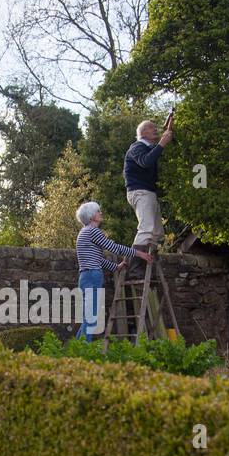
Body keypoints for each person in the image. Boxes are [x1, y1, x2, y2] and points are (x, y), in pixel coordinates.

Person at [74, 201, 152, 340]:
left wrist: (115, 267)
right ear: (91, 216)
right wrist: (139, 253)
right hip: (92, 276)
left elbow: (97, 258)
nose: (101, 213)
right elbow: (114, 247)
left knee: (88, 316)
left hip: (86, 276)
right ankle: (83, 352)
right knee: (91, 318)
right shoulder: (92, 231)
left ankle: (76, 349)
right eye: (98, 211)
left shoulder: (84, 233)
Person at [123, 117, 174, 272]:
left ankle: (147, 263)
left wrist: (168, 131)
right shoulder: (136, 147)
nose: (156, 130)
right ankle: (134, 267)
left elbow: (154, 153)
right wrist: (162, 143)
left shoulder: (148, 148)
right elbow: (146, 161)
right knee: (146, 228)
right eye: (152, 128)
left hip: (148, 192)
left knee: (157, 232)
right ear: (143, 132)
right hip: (140, 191)